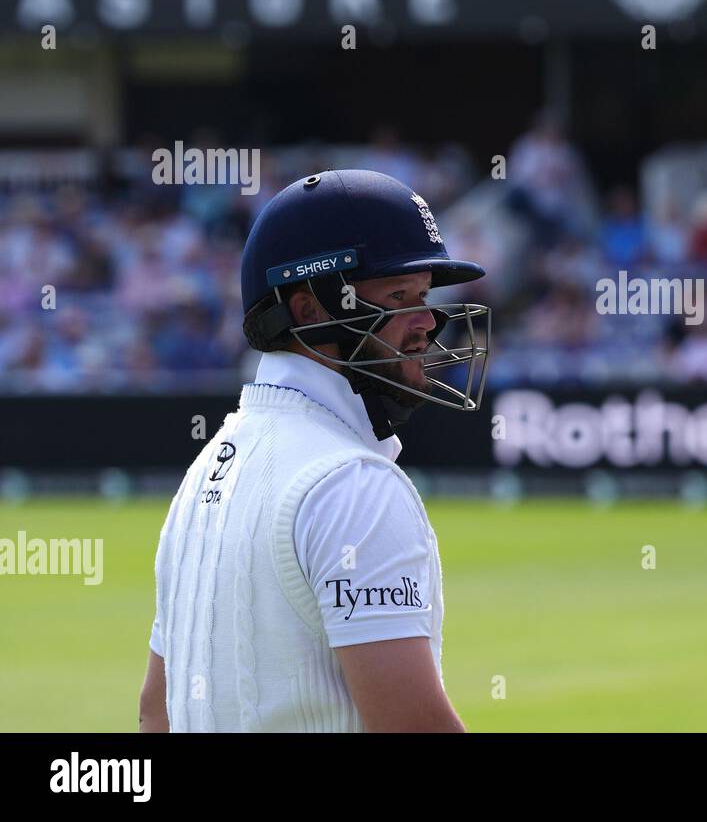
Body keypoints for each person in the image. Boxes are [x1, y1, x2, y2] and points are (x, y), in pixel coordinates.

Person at [140, 169, 490, 732]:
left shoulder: (206, 471)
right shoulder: (352, 485)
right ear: (309, 311)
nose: (427, 323)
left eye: (425, 296)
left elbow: (155, 714)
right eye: (399, 296)